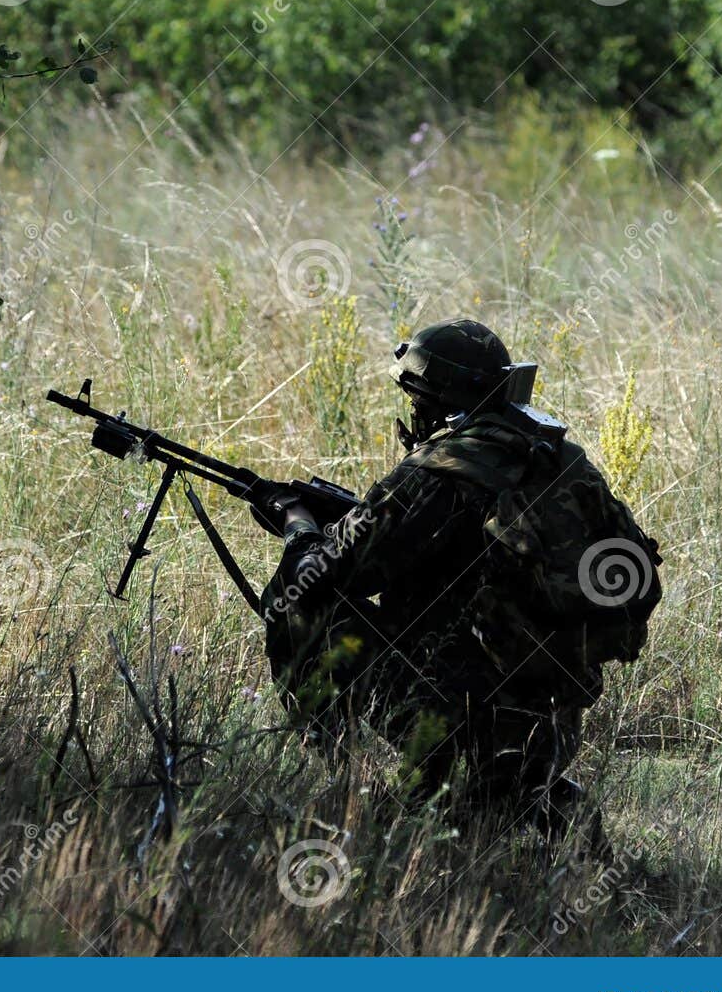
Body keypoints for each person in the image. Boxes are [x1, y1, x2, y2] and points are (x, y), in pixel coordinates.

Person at [255, 319, 661, 837]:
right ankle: (511, 789)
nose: (413, 410)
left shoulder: (440, 469)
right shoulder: (559, 460)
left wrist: (295, 521)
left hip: (455, 715)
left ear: (437, 401)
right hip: (553, 725)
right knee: (486, 814)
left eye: (416, 398)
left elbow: (325, 572)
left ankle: (347, 778)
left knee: (293, 600)